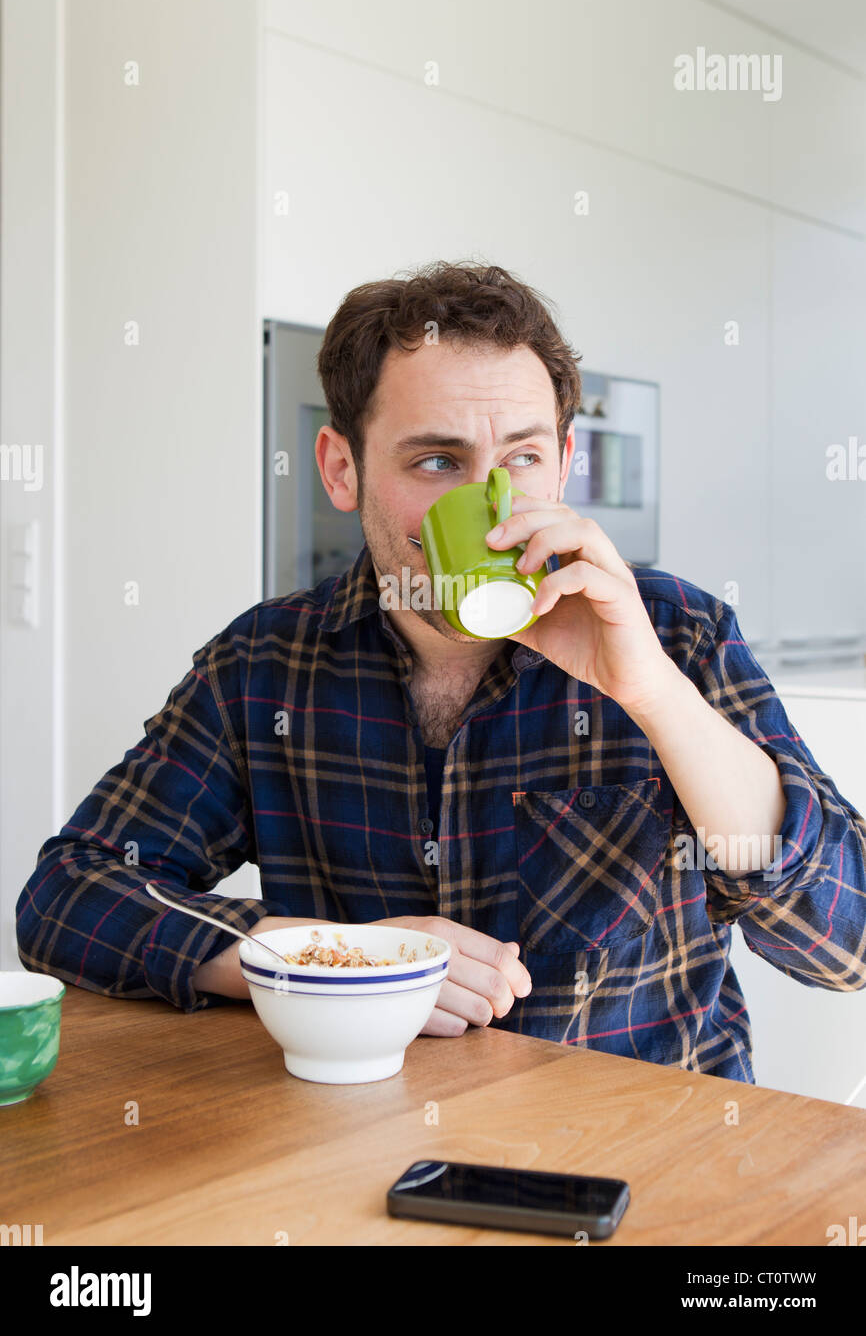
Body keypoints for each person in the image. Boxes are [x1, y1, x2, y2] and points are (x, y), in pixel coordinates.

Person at [17, 260, 866, 1082]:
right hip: (365, 1158)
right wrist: (338, 960)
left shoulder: (676, 633)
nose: (493, 506)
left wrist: (653, 695)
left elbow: (848, 946)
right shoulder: (264, 666)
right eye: (437, 462)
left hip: (648, 1167)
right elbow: (67, 896)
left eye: (523, 459)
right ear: (342, 469)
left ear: (564, 463)